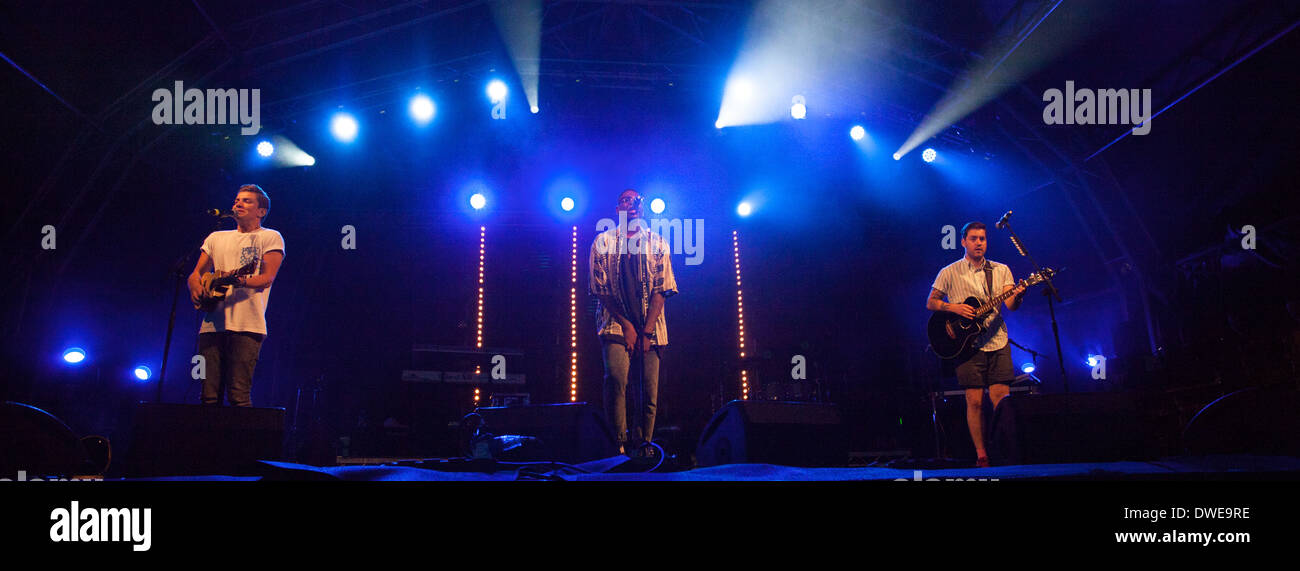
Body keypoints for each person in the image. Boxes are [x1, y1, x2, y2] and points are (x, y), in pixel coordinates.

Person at [926, 221, 1025, 466]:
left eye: (982, 238)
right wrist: (953, 307)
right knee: (974, 399)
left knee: (1002, 397)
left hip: (997, 339)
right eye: (974, 238)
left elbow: (1011, 305)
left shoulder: (1001, 270)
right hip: (966, 345)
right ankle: (982, 454)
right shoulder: (949, 272)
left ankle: (1005, 448)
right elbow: (931, 302)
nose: (979, 242)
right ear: (963, 241)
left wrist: (1019, 295)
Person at [589, 189, 678, 456]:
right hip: (616, 325)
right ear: (618, 209)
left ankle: (644, 443)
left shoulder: (658, 242)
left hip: (651, 328)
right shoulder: (602, 242)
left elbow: (662, 289)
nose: (634, 203)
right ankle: (617, 444)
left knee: (648, 391)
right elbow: (600, 289)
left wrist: (646, 331)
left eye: (637, 200)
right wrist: (627, 326)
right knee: (616, 380)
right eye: (627, 199)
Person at [187, 184, 285, 407]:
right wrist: (195, 288)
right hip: (212, 325)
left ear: (261, 211)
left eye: (247, 201)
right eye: (237, 200)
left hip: (248, 326)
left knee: (238, 396)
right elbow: (195, 275)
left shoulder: (270, 237)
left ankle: (240, 443)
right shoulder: (216, 237)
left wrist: (239, 280)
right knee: (208, 396)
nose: (238, 203)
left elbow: (267, 277)